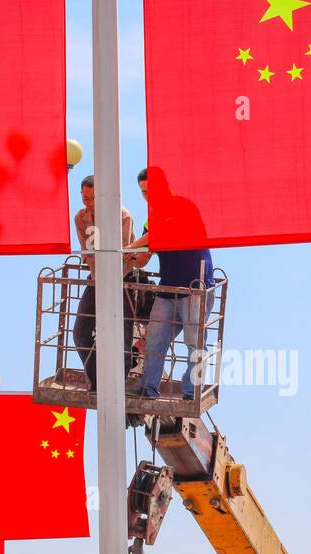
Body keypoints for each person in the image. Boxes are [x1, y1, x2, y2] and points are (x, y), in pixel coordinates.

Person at [128, 167, 214, 400]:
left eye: (150, 191)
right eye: (143, 192)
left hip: (194, 288)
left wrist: (132, 245)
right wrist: (131, 258)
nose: (148, 197)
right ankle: (148, 388)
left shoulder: (184, 207)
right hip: (168, 289)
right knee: (155, 340)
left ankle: (191, 393)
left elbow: (162, 234)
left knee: (194, 344)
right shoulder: (152, 218)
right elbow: (145, 257)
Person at [72, 175, 138, 391]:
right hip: (97, 279)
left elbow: (124, 253)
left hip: (123, 280)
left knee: (123, 333)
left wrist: (99, 258)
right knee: (81, 331)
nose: (87, 203)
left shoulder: (122, 216)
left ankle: (120, 382)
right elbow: (86, 253)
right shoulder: (81, 219)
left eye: (91, 198)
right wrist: (93, 260)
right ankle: (98, 379)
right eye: (84, 198)